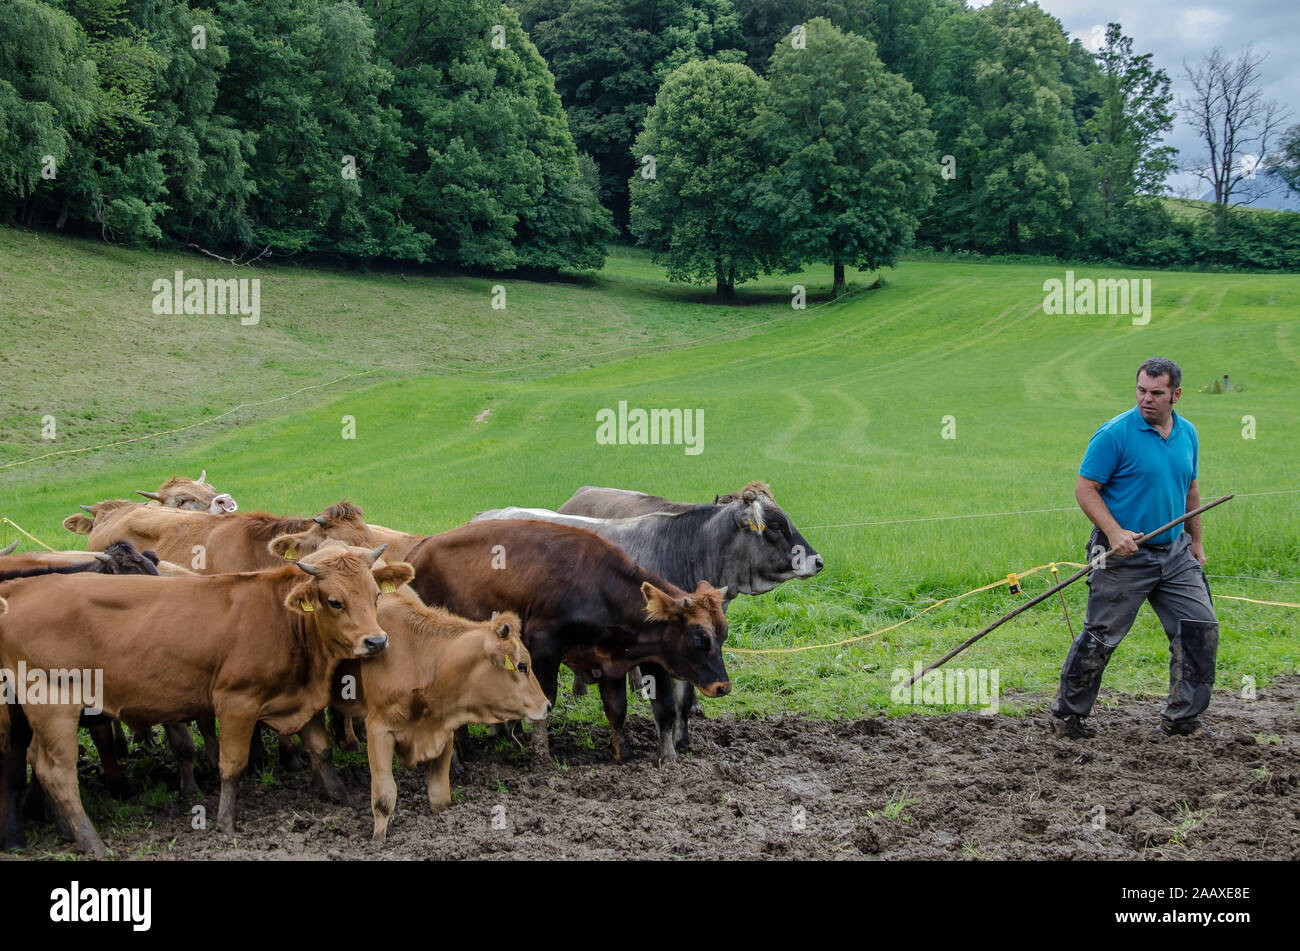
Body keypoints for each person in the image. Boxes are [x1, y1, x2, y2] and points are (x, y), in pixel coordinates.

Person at [1049, 356, 1220, 740]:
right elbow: (1085, 490)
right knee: (1101, 636)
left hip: (1175, 553)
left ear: (1176, 394)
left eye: (1157, 393)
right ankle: (1068, 716)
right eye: (1141, 390)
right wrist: (1114, 532)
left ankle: (1182, 719)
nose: (1147, 399)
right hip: (1122, 555)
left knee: (1200, 628)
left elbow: (1190, 489)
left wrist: (1196, 542)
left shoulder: (1188, 433)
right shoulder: (1114, 434)